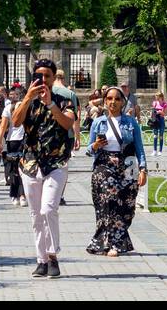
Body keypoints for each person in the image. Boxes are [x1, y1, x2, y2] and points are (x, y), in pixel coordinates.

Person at [11, 58, 77, 278]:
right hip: (30, 163)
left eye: (47, 76)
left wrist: (50, 104)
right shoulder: (26, 101)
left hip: (56, 162)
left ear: (53, 78)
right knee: (35, 214)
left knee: (48, 209)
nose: (43, 80)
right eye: (39, 76)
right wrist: (28, 98)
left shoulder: (63, 99)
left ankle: (53, 256)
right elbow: (16, 122)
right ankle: (41, 260)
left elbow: (68, 124)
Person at [85, 85, 147, 256]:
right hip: (104, 165)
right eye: (109, 99)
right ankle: (112, 244)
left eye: (117, 99)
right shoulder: (98, 122)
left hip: (127, 165)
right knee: (109, 201)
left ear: (122, 102)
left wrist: (143, 169)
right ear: (105, 101)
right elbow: (88, 150)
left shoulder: (131, 122)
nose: (113, 102)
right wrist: (96, 145)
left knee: (127, 207)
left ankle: (116, 240)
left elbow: (139, 148)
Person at [0, 83, 27, 205]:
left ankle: (15, 196)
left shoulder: (8, 108)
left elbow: (3, 126)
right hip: (25, 140)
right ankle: (23, 195)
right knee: (24, 169)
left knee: (14, 169)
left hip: (12, 140)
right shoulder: (26, 106)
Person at [52, 67, 80, 205]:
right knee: (63, 165)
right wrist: (77, 137)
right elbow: (75, 118)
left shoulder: (47, 92)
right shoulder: (70, 94)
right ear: (63, 78)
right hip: (66, 135)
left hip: (48, 135)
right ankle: (60, 195)